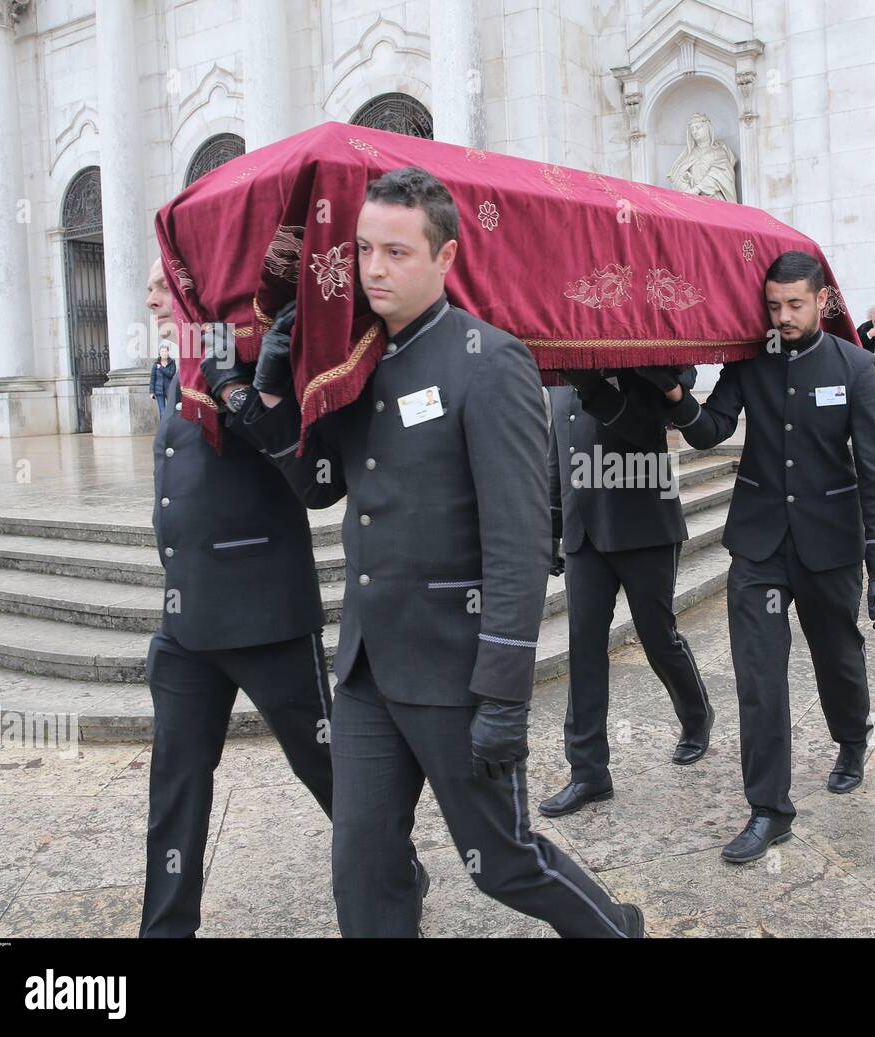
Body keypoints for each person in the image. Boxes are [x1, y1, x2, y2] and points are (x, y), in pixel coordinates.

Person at [228, 166, 643, 937]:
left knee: (504, 861)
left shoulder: (489, 361)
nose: (374, 270)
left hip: (456, 671)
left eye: (396, 252)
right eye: (363, 251)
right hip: (367, 669)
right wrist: (276, 398)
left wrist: (504, 692)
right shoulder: (356, 360)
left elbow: (520, 543)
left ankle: (616, 929)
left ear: (446, 258)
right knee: (361, 866)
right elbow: (322, 487)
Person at [141, 259, 410, 937]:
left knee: (326, 767)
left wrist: (253, 389)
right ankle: (165, 929)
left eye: (161, 283)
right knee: (175, 783)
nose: (150, 295)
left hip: (263, 614)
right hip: (184, 620)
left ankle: (396, 870)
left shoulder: (246, 364)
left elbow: (311, 473)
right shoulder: (176, 367)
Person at [645, 250, 875, 864]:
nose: (783, 316)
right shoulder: (750, 363)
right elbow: (710, 429)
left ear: (821, 302)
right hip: (759, 543)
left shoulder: (855, 366)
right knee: (758, 676)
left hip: (830, 544)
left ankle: (850, 739)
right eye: (774, 306)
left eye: (794, 305)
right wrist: (676, 392)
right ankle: (768, 809)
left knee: (837, 657)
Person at [538, 366, 714, 818]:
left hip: (645, 528)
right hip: (585, 537)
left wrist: (594, 386)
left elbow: (647, 437)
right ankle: (588, 772)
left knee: (658, 637)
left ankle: (696, 715)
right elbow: (557, 456)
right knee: (585, 650)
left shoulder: (646, 365)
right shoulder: (560, 376)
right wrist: (554, 529)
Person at [149, 344, 177, 418]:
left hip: (169, 390)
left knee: (171, 411)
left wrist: (161, 368)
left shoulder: (172, 363)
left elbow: (171, 374)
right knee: (163, 412)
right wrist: (151, 392)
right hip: (159, 391)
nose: (164, 353)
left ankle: (170, 428)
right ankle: (163, 429)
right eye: (162, 351)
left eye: (165, 351)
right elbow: (152, 378)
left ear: (168, 352)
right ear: (160, 353)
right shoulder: (155, 364)